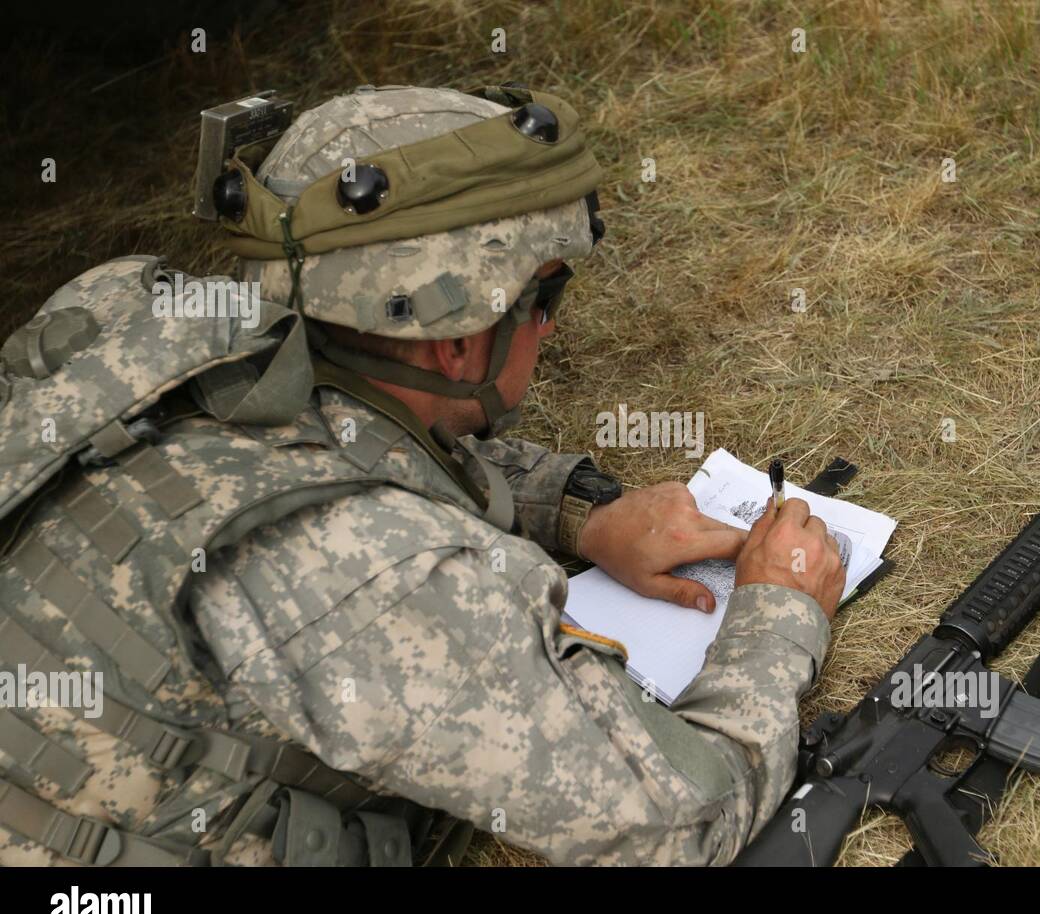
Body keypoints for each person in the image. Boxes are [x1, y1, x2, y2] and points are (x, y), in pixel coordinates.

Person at [0, 84, 844, 866]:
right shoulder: (380, 575)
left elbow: (329, 435)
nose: (546, 333)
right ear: (458, 340)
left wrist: (575, 513)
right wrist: (777, 614)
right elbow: (686, 820)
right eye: (543, 301)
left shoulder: (127, 319)